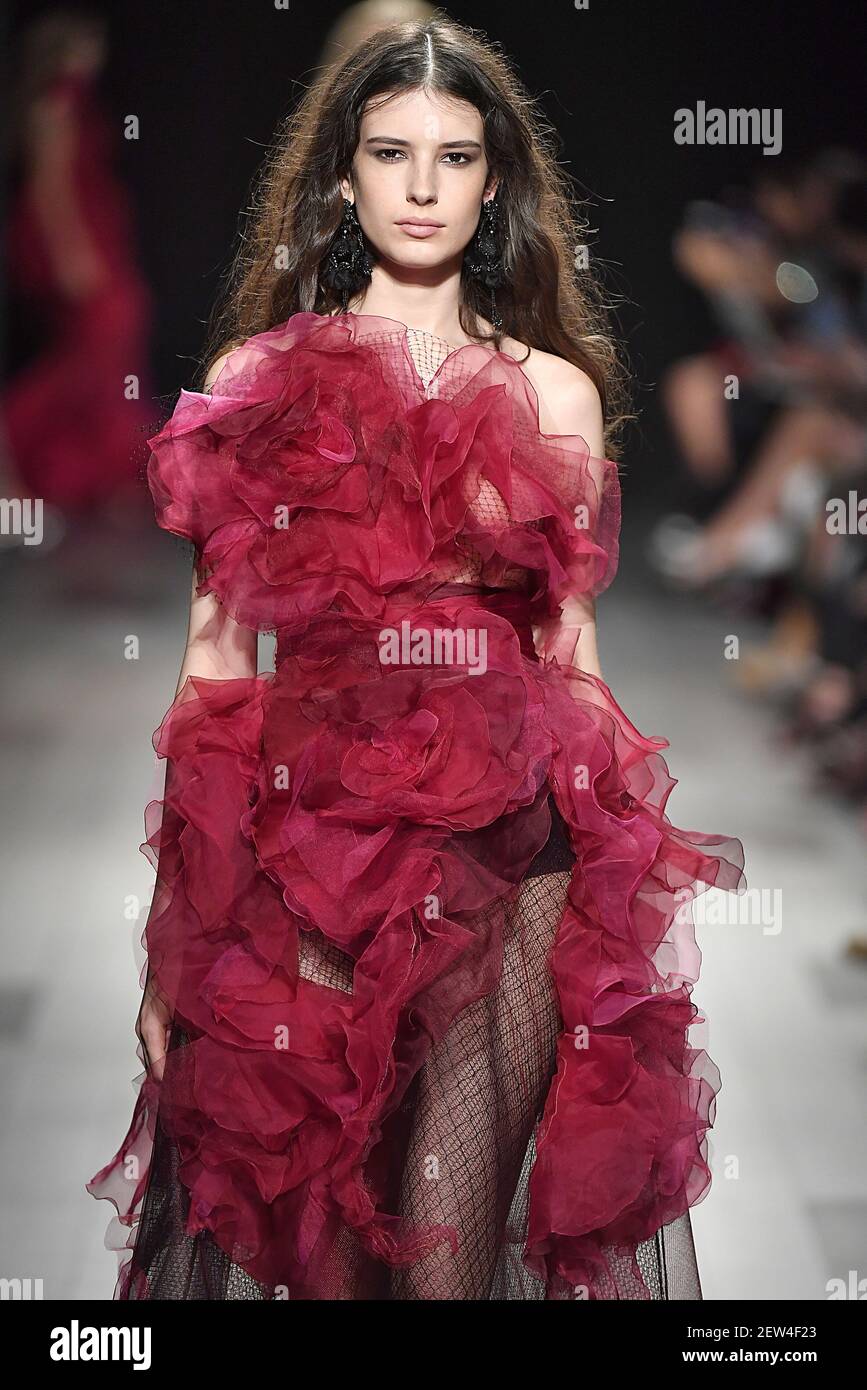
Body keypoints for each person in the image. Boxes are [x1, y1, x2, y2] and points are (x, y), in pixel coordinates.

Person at [87, 14, 745, 1301]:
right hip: (307, 858)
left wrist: (616, 920)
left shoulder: (553, 392)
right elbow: (216, 671)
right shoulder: (256, 380)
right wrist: (177, 937)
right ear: (342, 173)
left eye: (455, 157)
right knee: (315, 1251)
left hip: (509, 862)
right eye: (393, 154)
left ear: (495, 178)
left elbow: (571, 652)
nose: (425, 187)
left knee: (449, 1259)